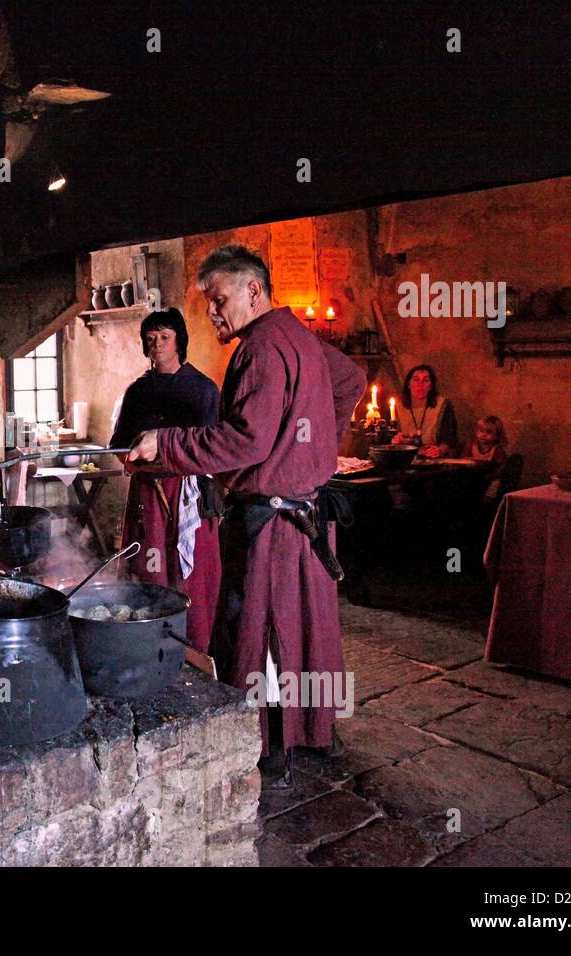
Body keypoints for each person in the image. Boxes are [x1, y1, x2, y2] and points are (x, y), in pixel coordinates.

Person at [126, 246, 365, 785]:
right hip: (308, 515)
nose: (212, 313)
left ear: (253, 291)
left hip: (276, 525)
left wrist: (164, 444)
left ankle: (269, 745)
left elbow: (244, 440)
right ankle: (316, 733)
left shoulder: (260, 347)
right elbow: (350, 381)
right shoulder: (300, 336)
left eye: (219, 299)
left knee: (263, 630)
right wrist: (311, 448)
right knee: (310, 626)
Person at [110, 309, 222, 652]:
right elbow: (120, 444)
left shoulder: (202, 389)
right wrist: (136, 461)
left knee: (191, 573)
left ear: (179, 342)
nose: (156, 345)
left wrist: (172, 458)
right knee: (149, 568)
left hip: (188, 493)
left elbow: (211, 447)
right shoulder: (137, 391)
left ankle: (194, 647)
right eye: (151, 339)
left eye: (164, 338)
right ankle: (147, 643)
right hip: (146, 492)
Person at [392, 364, 457, 458]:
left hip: (434, 458)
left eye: (425, 380)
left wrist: (439, 450)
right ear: (408, 385)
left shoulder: (442, 405)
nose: (420, 385)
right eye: (416, 380)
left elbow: (450, 438)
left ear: (431, 386)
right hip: (406, 458)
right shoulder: (396, 407)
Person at [467, 415, 509, 503]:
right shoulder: (471, 445)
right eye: (481, 431)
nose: (483, 434)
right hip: (471, 474)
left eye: (488, 432)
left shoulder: (497, 450)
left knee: (495, 483)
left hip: (489, 477)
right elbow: (462, 458)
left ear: (497, 436)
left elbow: (502, 467)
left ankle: (487, 502)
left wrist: (492, 474)